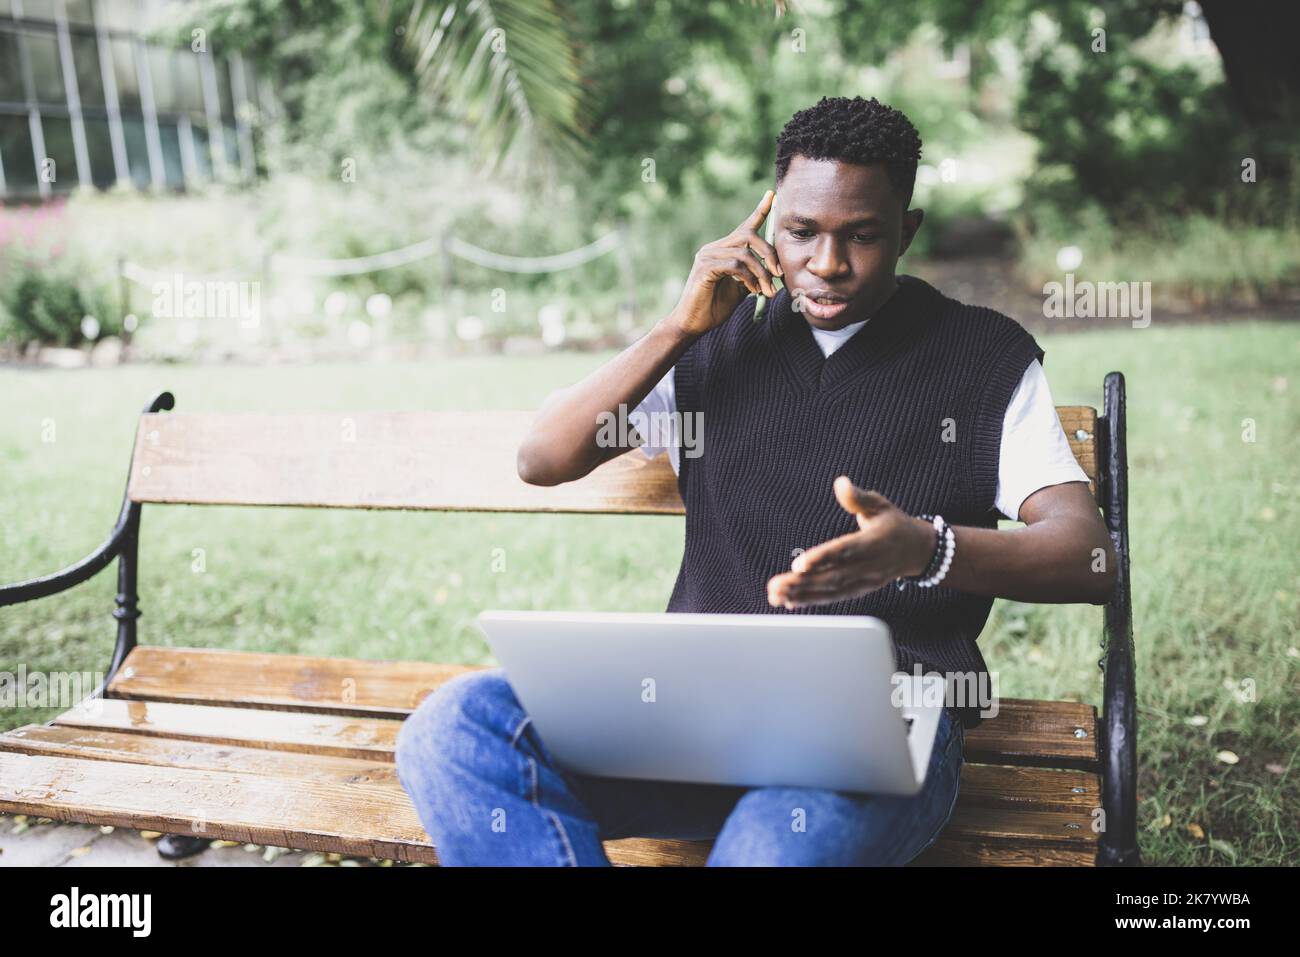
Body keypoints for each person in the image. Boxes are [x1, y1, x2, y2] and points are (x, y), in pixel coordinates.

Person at [396, 95, 1117, 866]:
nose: (828, 263)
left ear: (905, 231)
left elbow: (1086, 554)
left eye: (862, 235)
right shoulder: (715, 344)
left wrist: (925, 548)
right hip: (693, 709)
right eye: (802, 231)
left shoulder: (982, 357)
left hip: (872, 726)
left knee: (773, 850)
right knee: (456, 729)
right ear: (769, 219)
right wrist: (679, 327)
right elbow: (544, 457)